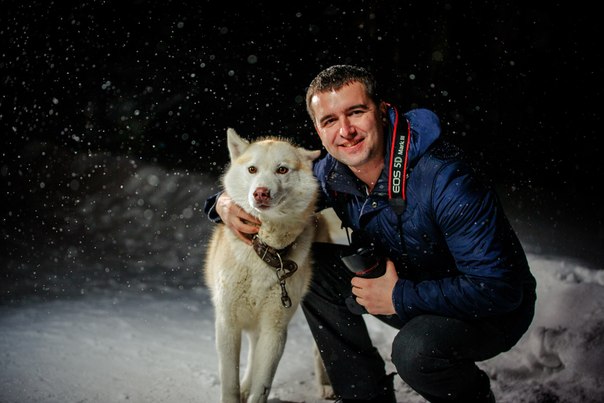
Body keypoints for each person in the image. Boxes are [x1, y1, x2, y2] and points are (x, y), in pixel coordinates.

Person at [204, 65, 536, 403]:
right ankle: (364, 396)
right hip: (399, 288)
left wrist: (399, 296)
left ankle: (475, 397)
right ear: (318, 131)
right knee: (308, 262)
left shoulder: (447, 179)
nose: (345, 131)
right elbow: (276, 182)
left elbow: (499, 288)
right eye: (329, 120)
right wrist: (222, 203)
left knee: (415, 352)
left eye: (356, 112)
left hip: (490, 312)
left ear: (382, 111)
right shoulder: (333, 172)